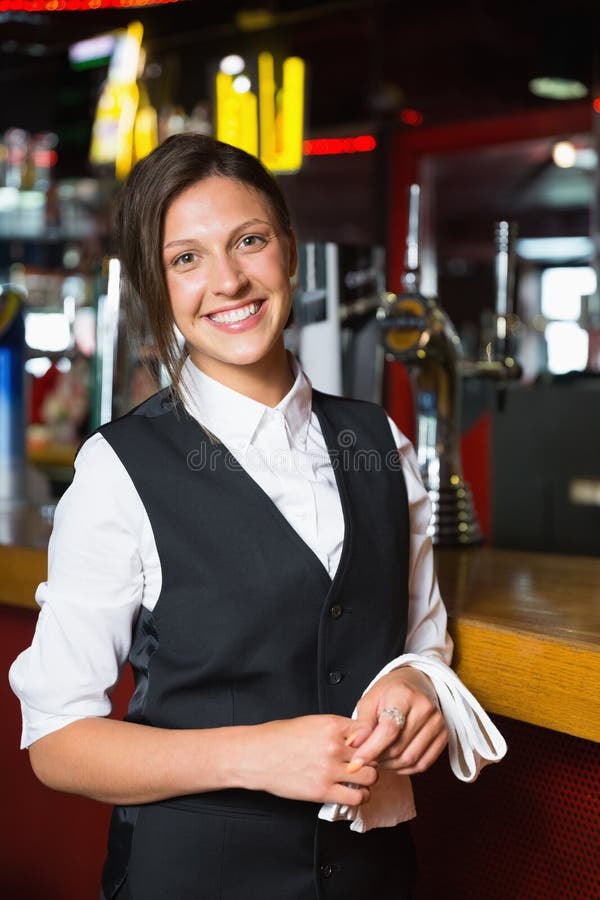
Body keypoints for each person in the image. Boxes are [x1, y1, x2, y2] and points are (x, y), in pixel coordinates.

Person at [9, 133, 505, 900]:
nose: (228, 281)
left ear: (290, 252)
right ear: (159, 286)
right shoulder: (119, 470)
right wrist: (253, 755)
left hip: (373, 879)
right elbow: (58, 742)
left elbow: (421, 640)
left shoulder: (380, 442)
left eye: (249, 241)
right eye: (187, 259)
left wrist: (420, 689)